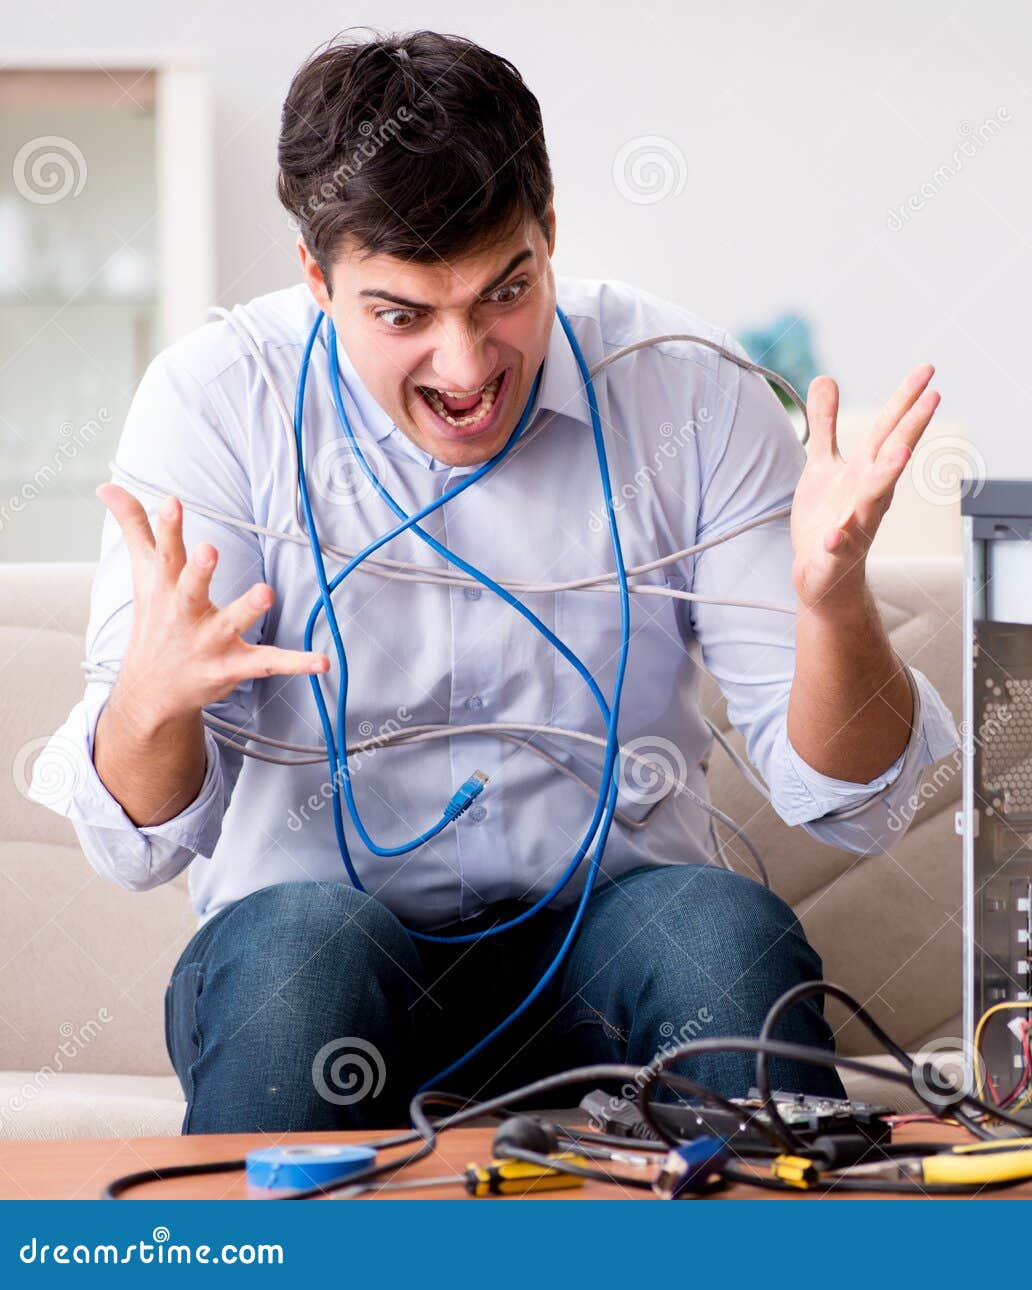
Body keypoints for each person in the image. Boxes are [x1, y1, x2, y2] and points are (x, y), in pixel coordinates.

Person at [31, 29, 958, 1134]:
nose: (467, 367)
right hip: (326, 968)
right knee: (301, 957)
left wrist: (834, 600)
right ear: (318, 279)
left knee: (719, 934)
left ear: (549, 231)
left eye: (504, 293)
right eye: (403, 315)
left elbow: (855, 804)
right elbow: (129, 845)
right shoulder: (218, 404)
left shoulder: (687, 389)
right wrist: (151, 702)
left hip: (609, 949)